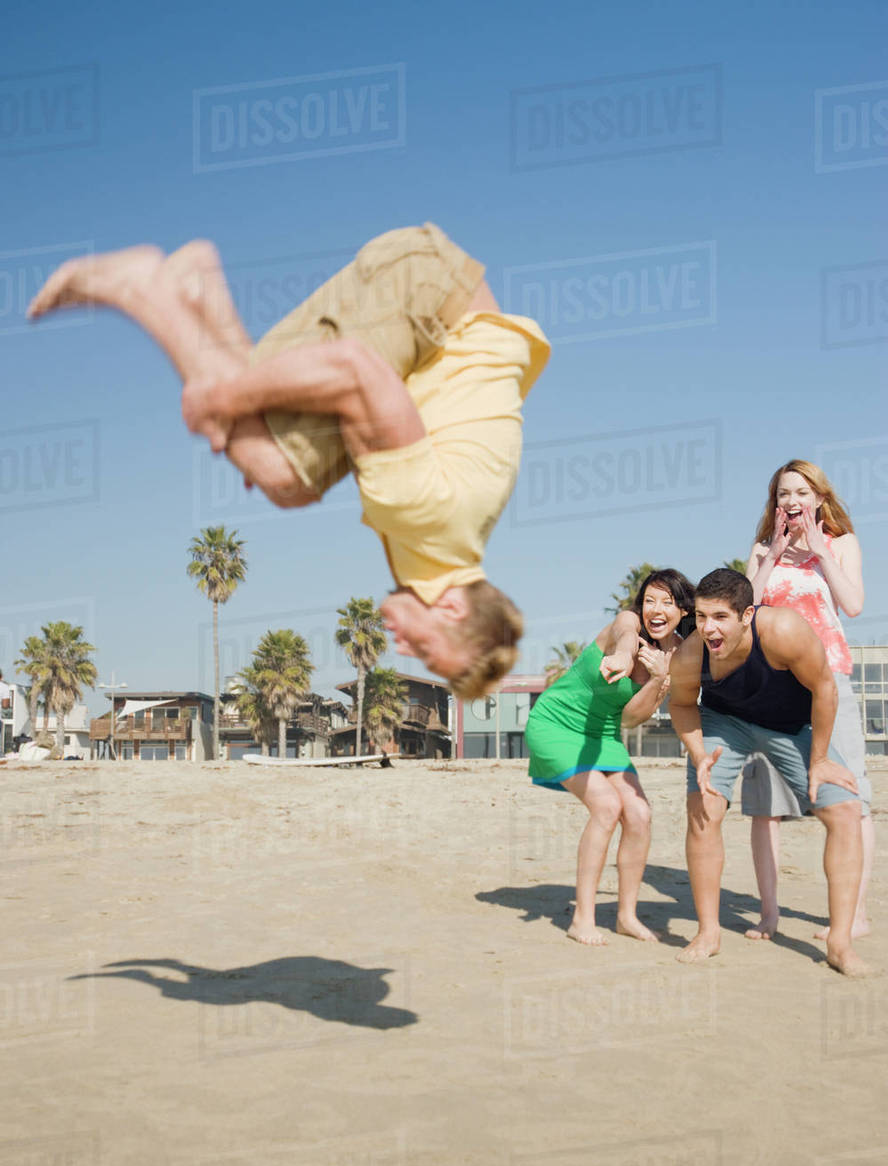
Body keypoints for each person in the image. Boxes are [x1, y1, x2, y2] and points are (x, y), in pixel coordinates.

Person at [28, 224, 550, 698]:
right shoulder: (427, 516)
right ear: (453, 607)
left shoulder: (441, 554)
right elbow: (353, 370)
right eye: (429, 650)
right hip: (427, 294)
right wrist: (223, 399)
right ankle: (145, 289)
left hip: (436, 306)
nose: (407, 650)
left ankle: (200, 288)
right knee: (279, 469)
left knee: (279, 461)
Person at [668, 568, 867, 977]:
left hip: (791, 726)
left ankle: (840, 943)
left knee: (846, 811)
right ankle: (708, 933)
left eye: (720, 616)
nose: (708, 628)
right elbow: (682, 705)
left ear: (747, 615)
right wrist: (698, 753)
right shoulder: (691, 653)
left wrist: (819, 760)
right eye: (702, 617)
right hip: (725, 722)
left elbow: (825, 687)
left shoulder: (783, 630)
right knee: (704, 807)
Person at [525, 569, 694, 945]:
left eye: (667, 601)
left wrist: (656, 681)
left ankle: (626, 916)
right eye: (650, 599)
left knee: (639, 813)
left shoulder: (678, 652)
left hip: (603, 733)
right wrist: (621, 656)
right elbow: (623, 639)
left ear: (683, 610)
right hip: (556, 724)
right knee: (606, 807)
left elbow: (632, 717)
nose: (656, 608)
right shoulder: (628, 622)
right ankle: (581, 918)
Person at [743, 460, 872, 941]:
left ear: (818, 497)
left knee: (851, 798)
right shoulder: (761, 549)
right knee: (765, 805)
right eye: (782, 494)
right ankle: (769, 914)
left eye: (800, 491)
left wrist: (821, 552)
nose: (790, 501)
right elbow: (745, 612)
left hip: (829, 680)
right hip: (769, 687)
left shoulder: (842, 543)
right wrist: (773, 556)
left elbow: (854, 605)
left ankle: (854, 915)